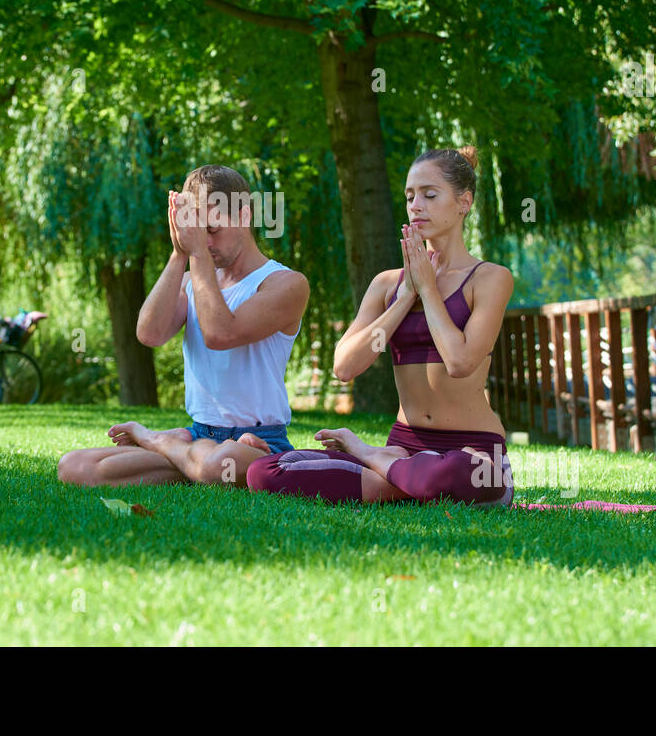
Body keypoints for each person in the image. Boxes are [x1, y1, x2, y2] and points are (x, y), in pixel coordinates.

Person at [247, 147, 516, 507]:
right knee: (264, 471)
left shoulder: (490, 278)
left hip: (472, 454)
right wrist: (406, 296)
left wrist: (428, 290)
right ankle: (403, 478)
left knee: (442, 474)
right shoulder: (388, 284)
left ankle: (373, 460)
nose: (416, 205)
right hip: (403, 448)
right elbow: (344, 367)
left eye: (429, 194)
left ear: (463, 201)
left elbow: (459, 363)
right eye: (409, 196)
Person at [56, 165, 310, 489]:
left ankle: (157, 440)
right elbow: (149, 334)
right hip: (199, 436)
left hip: (261, 441)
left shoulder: (285, 283)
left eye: (212, 229)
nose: (204, 241)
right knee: (75, 467)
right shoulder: (192, 277)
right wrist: (179, 254)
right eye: (195, 230)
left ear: (245, 216)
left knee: (223, 463)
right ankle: (190, 459)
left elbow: (220, 333)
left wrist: (197, 253)